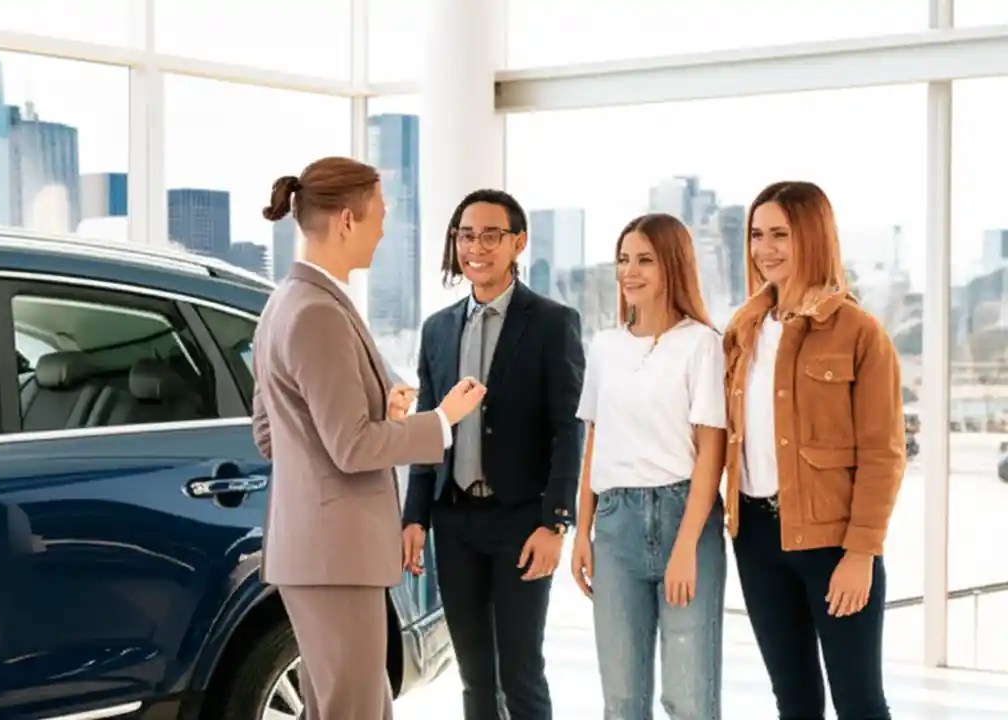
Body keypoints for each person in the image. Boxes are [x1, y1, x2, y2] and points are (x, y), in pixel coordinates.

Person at [251, 156, 487, 720]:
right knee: (354, 710)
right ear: (347, 222)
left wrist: (378, 406)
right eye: (380, 215)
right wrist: (442, 420)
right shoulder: (317, 313)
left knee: (349, 706)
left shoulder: (284, 301)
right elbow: (351, 447)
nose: (385, 230)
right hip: (336, 557)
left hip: (317, 555)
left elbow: (272, 434)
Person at [723, 181, 905, 720]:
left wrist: (861, 554)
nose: (765, 248)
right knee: (794, 701)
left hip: (833, 543)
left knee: (859, 704)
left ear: (814, 237)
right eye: (757, 235)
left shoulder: (860, 332)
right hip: (755, 538)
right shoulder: (743, 330)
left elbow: (883, 453)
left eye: (781, 234)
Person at [402, 189, 585, 720]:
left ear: (517, 242)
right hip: (454, 520)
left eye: (490, 234)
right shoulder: (437, 328)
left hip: (522, 519)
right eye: (465, 234)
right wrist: (415, 515)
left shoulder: (552, 322)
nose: (475, 246)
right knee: (474, 675)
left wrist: (556, 523)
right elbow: (427, 428)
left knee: (521, 672)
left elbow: (565, 430)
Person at [570, 213, 727, 720]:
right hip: (615, 527)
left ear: (672, 266)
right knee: (622, 701)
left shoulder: (701, 343)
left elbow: (711, 452)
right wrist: (582, 533)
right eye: (622, 260)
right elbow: (594, 441)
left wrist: (686, 547)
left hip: (686, 515)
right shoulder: (604, 347)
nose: (628, 272)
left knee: (690, 701)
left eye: (643, 260)